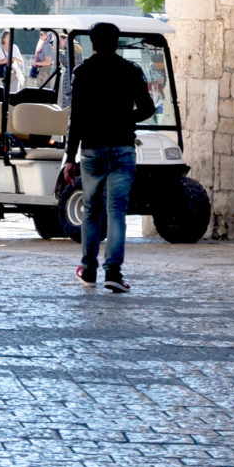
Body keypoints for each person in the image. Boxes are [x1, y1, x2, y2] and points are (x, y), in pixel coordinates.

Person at [64, 19, 156, 294]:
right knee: (117, 211)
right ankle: (113, 272)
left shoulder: (83, 73)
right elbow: (147, 108)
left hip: (92, 149)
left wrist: (70, 157)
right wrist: (126, 120)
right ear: (117, 43)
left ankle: (89, 269)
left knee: (92, 212)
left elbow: (76, 118)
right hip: (122, 147)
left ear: (93, 43)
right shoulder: (130, 70)